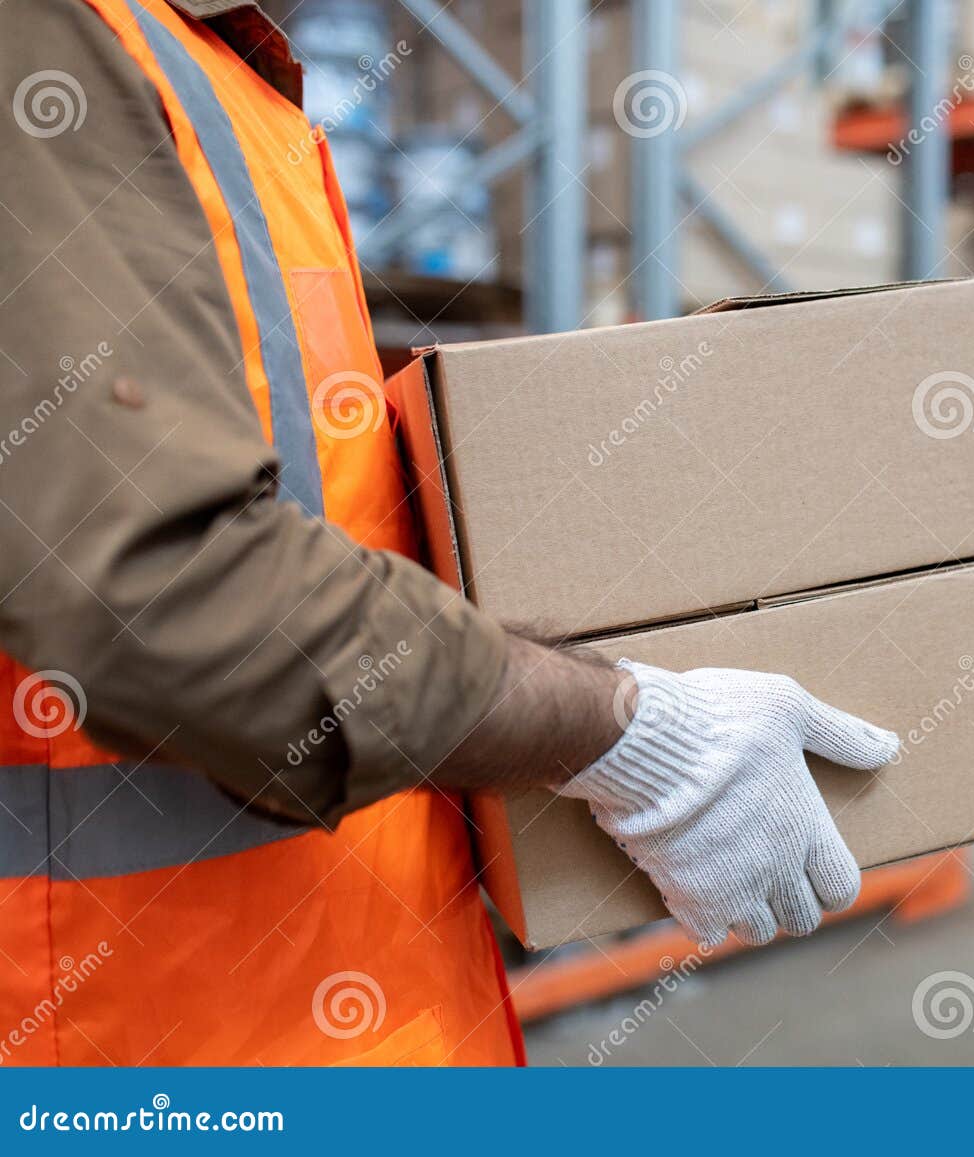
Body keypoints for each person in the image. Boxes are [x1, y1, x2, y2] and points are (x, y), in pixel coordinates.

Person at [0, 0, 898, 1066]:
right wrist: (630, 733)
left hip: (352, 996)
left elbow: (314, 511)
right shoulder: (53, 35)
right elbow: (163, 589)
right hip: (120, 1045)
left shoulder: (227, 77)